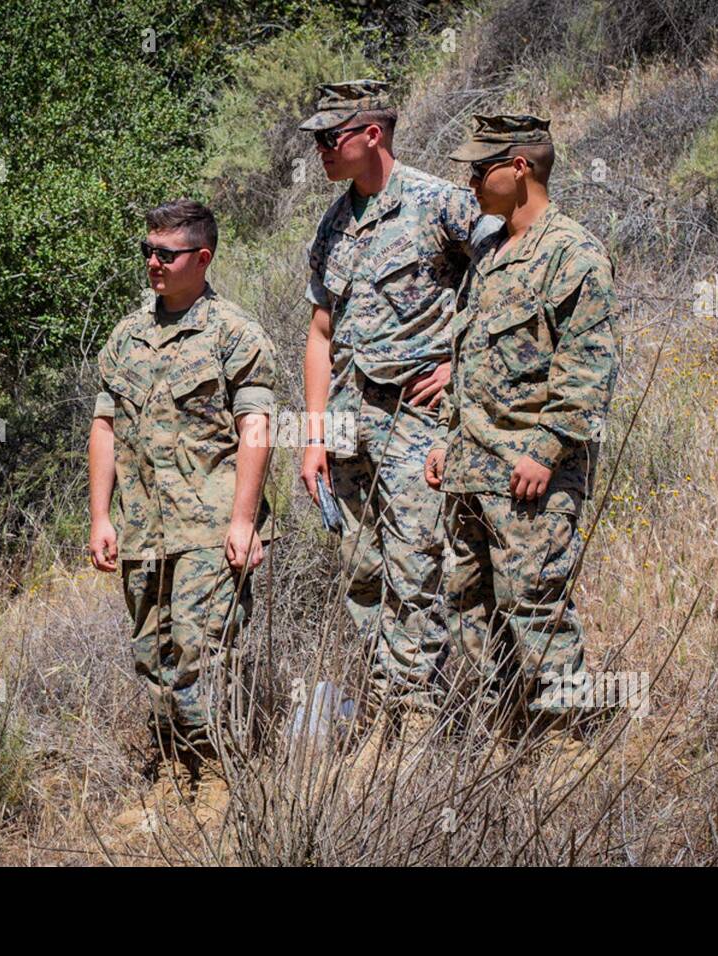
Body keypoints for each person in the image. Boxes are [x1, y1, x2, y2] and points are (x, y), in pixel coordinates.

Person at [298, 79, 496, 751]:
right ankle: (384, 710)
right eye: (318, 139)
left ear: (371, 134)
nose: (321, 150)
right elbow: (321, 333)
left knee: (417, 568)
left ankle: (415, 728)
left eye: (331, 136)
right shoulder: (334, 224)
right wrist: (312, 434)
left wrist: (461, 367)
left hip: (416, 427)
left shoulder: (440, 204)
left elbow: (515, 276)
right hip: (348, 428)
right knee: (363, 575)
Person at [426, 115, 618, 755]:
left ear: (521, 168)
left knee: (537, 610)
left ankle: (565, 747)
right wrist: (447, 441)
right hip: (471, 473)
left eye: (482, 169)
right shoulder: (489, 255)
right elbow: (477, 359)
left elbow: (588, 366)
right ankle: (504, 743)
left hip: (529, 475)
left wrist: (547, 448)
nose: (472, 180)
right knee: (469, 610)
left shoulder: (572, 253)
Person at [88, 199, 275, 822]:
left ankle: (219, 776)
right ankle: (173, 770)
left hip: (210, 525)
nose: (153, 263)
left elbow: (256, 429)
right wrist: (101, 517)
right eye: (147, 250)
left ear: (203, 257)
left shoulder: (233, 332)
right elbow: (105, 429)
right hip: (143, 528)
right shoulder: (126, 334)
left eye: (166, 253)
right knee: (153, 653)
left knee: (202, 653)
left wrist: (244, 522)